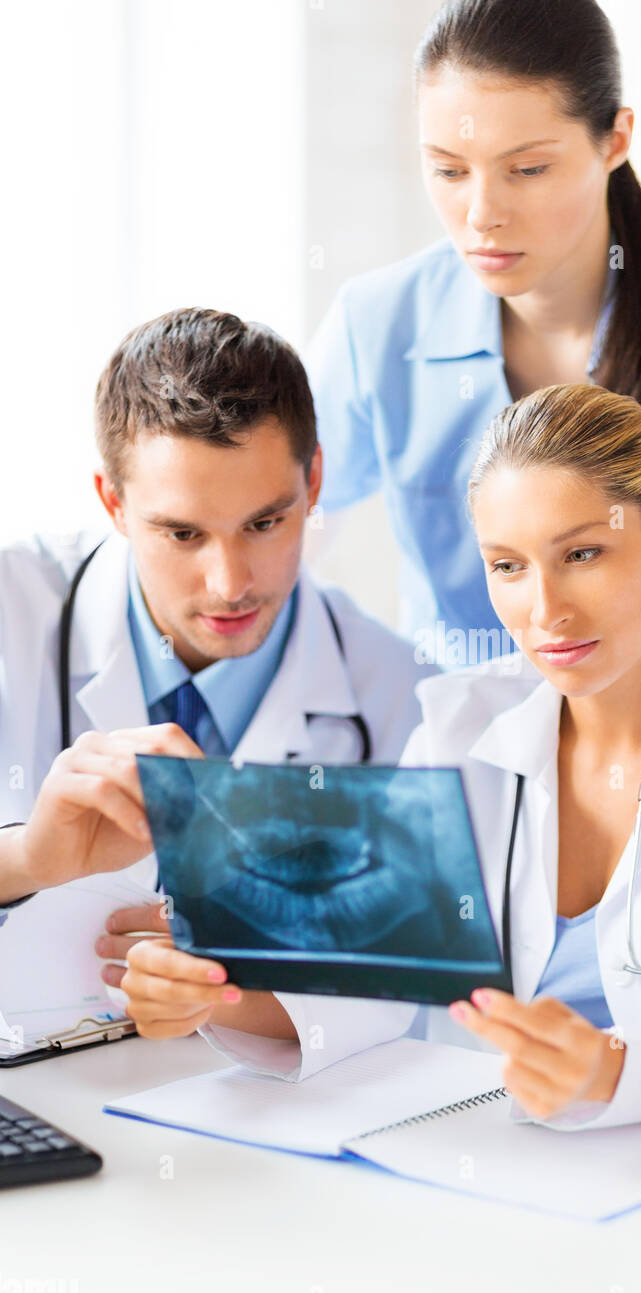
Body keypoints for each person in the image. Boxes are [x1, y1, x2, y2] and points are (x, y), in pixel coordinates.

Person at [121, 383, 641, 1130]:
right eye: (508, 566)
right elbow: (378, 977)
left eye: (583, 553)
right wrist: (217, 992)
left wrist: (609, 1068)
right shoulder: (462, 729)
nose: (545, 609)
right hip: (488, 1159)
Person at [306, 0, 641, 660]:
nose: (482, 213)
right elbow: (261, 537)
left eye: (528, 169)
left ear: (615, 140)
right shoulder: (376, 327)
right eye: (449, 169)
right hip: (466, 748)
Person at [0, 307, 430, 1066]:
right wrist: (29, 859)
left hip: (239, 1129)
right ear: (113, 504)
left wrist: (223, 990)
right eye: (183, 534)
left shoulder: (394, 690)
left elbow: (405, 979)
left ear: (315, 480)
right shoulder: (13, 612)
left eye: (265, 523)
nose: (231, 584)